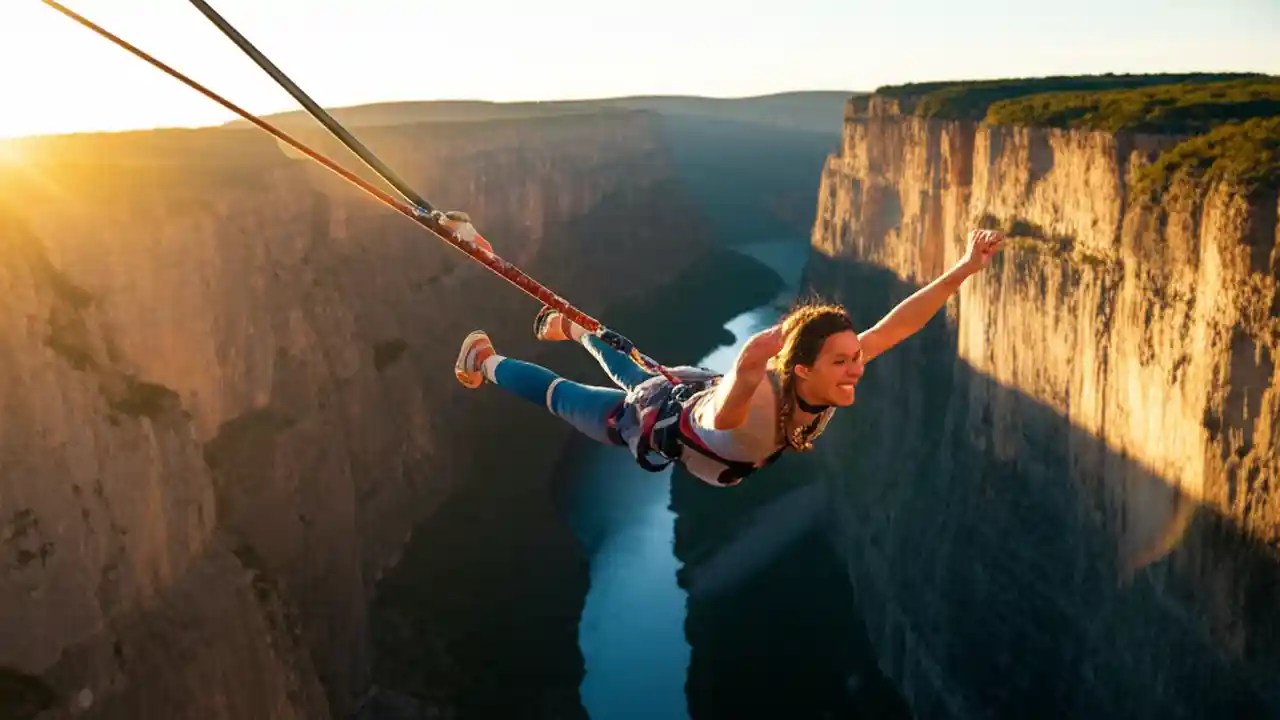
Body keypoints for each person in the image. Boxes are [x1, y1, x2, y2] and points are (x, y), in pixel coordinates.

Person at [454, 229, 1005, 486]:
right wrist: (744, 370)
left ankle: (574, 328)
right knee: (566, 397)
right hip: (666, 419)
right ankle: (484, 358)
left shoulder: (812, 375)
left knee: (635, 368)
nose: (857, 366)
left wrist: (963, 268)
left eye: (853, 357)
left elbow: (899, 325)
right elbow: (727, 415)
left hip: (688, 388)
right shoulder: (761, 394)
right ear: (803, 369)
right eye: (841, 362)